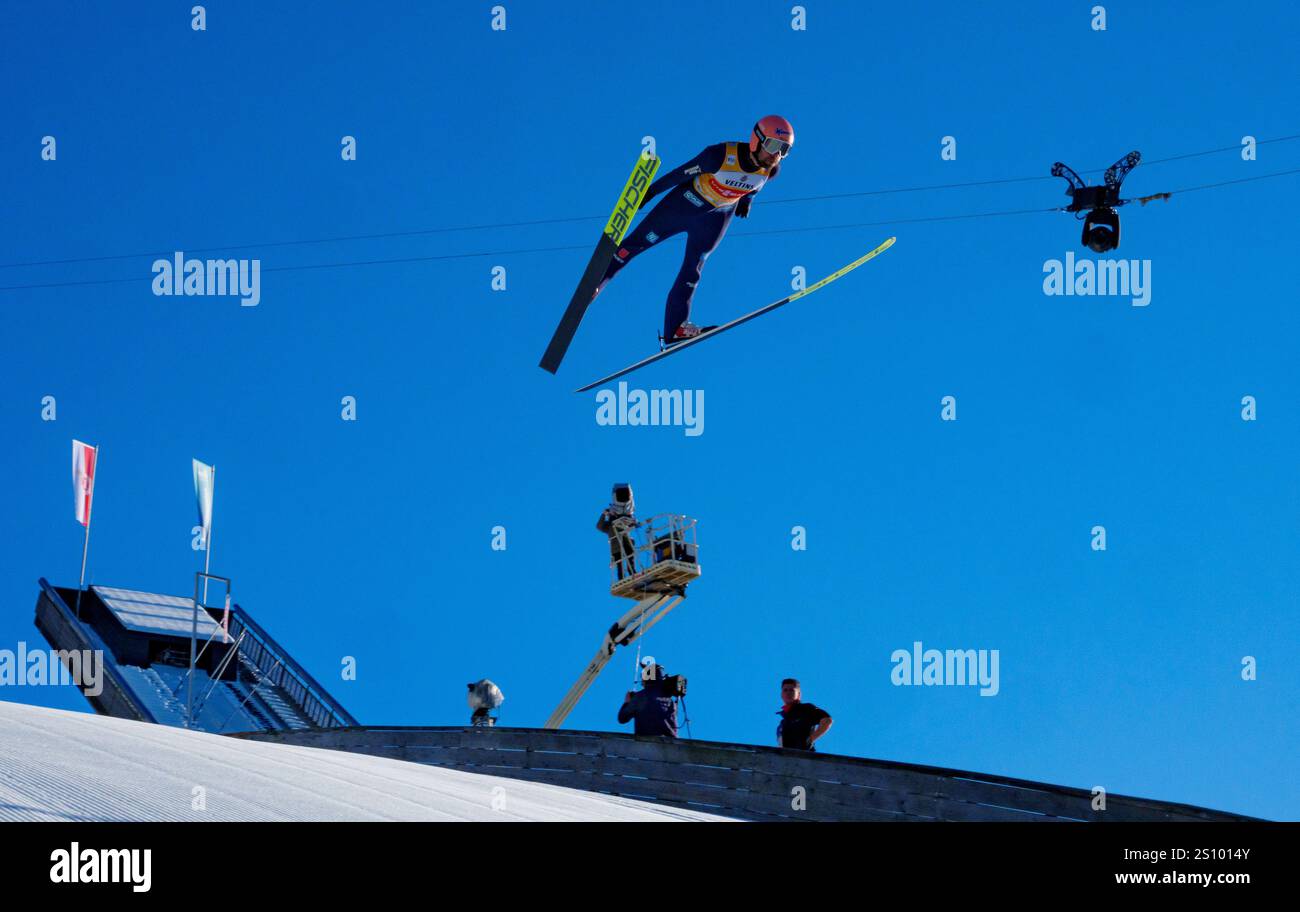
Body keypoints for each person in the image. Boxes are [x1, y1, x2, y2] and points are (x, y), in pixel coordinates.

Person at [592, 115, 795, 347]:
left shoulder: (771, 170)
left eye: (784, 150)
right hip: (685, 204)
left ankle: (676, 329)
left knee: (693, 270)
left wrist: (747, 201)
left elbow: (754, 187)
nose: (776, 155)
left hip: (716, 218)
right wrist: (650, 192)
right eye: (772, 145)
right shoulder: (718, 156)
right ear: (756, 140)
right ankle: (596, 283)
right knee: (636, 244)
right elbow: (681, 173)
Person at [618, 660, 679, 738]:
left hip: (646, 745)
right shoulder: (670, 700)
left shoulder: (640, 697)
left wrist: (627, 702)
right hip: (669, 745)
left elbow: (622, 718)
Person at [776, 678, 832, 751]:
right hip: (789, 759)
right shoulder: (782, 723)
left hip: (805, 757)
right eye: (785, 690)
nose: (788, 693)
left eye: (791, 690)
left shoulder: (806, 709)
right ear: (781, 694)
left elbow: (827, 720)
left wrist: (811, 739)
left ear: (799, 694)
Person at [596, 482, 637, 579]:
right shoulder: (609, 526)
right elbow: (599, 526)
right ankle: (622, 578)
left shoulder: (625, 518)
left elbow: (633, 524)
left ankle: (633, 574)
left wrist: (634, 522)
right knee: (620, 564)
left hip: (626, 543)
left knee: (630, 557)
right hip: (616, 547)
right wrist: (604, 514)